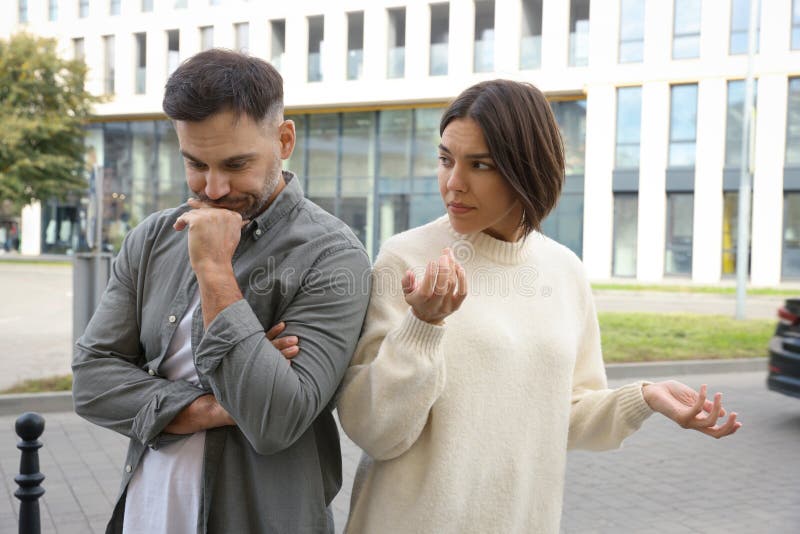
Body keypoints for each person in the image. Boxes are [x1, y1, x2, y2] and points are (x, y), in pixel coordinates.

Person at [330, 80, 742, 533]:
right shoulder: (405, 258)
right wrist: (423, 325)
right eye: (446, 159)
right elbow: (375, 430)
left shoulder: (564, 270)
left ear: (525, 167)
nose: (454, 183)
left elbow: (562, 415)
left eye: (479, 164)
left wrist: (643, 397)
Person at [72, 49, 371, 534]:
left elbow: (275, 422)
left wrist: (214, 271)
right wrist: (208, 407)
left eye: (236, 164)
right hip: (147, 515)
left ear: (285, 139)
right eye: (195, 164)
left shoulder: (332, 256)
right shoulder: (152, 238)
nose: (212, 189)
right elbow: (90, 381)